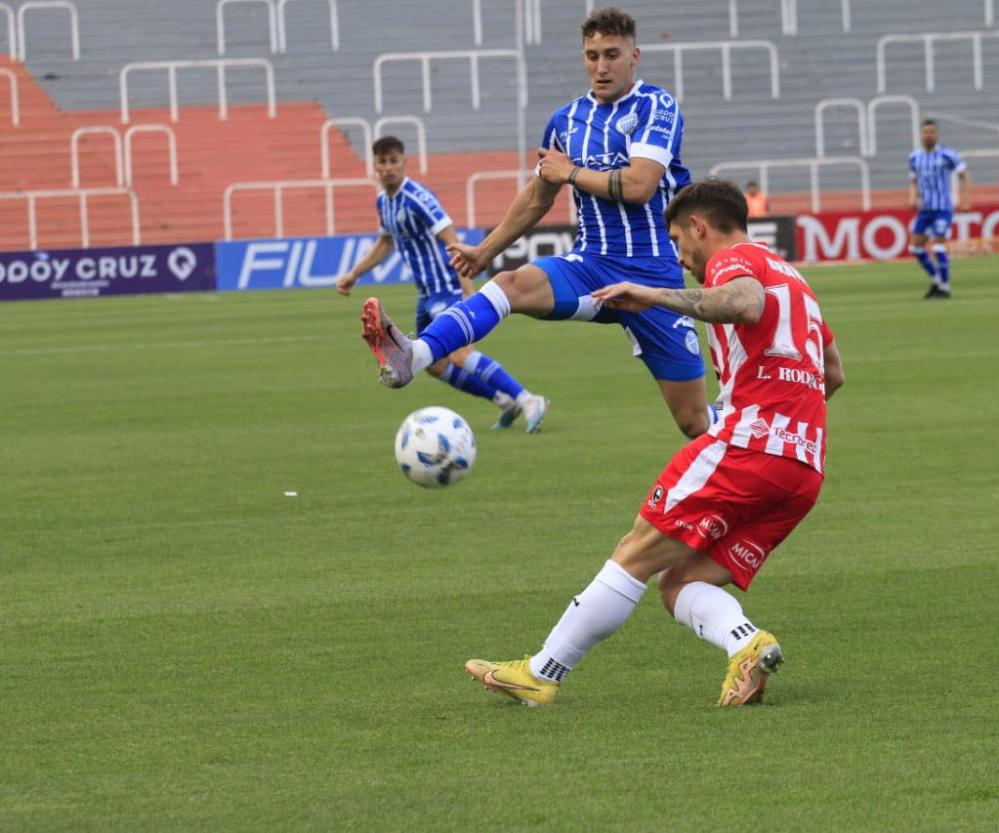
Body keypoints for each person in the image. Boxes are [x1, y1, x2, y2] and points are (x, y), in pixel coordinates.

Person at [464, 179, 844, 708]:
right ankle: (748, 645)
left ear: (699, 226)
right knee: (678, 582)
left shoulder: (734, 264)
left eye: (677, 241)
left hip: (748, 447)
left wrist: (655, 295)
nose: (680, 256)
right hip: (803, 468)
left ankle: (542, 673)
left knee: (634, 554)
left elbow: (745, 302)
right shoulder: (797, 280)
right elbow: (833, 372)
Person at [357, 7, 713, 438]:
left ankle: (752, 426)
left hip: (656, 279)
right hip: (590, 266)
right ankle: (412, 356)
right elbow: (537, 198)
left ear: (634, 56)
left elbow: (640, 184)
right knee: (510, 285)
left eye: (612, 55)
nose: (601, 67)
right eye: (592, 55)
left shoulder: (656, 106)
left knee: (694, 422)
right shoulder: (564, 122)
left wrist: (571, 173)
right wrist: (485, 251)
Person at [337, 137, 547, 431]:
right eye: (382, 162)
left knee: (460, 353)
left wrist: (467, 290)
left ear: (404, 162)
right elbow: (386, 243)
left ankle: (528, 399)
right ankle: (504, 401)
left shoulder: (417, 197)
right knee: (433, 365)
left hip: (445, 286)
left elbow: (452, 241)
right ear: (374, 167)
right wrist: (354, 273)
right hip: (425, 294)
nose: (388, 168)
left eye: (393, 161)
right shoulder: (383, 202)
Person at [908, 120, 969, 299]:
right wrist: (912, 198)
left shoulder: (947, 155)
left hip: (943, 208)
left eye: (932, 132)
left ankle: (945, 288)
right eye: (926, 132)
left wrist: (965, 201)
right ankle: (938, 280)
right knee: (916, 249)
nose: (929, 135)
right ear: (921, 134)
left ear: (937, 134)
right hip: (925, 210)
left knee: (938, 247)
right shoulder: (914, 158)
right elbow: (913, 180)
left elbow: (965, 176)